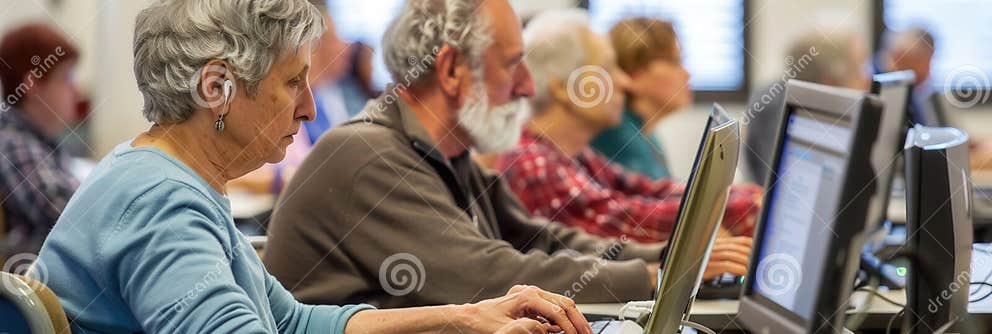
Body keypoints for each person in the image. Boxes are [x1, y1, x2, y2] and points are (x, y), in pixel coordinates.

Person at [29, 1, 591, 333]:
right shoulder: (159, 201)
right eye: (293, 82)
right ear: (217, 87)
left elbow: (297, 323)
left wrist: (467, 317)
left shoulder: (169, 179)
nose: (310, 106)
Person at [264, 0, 722, 309]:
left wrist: (665, 258)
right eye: (510, 64)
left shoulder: (442, 154)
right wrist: (653, 279)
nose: (526, 86)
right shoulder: (367, 157)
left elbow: (536, 240)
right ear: (450, 70)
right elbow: (487, 277)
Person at [495, 10, 761, 245]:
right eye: (608, 69)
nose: (623, 81)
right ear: (563, 89)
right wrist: (743, 208)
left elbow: (645, 190)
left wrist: (737, 196)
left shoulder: (573, 154)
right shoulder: (534, 164)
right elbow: (625, 219)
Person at [227, 0, 376, 196]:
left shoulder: (329, 95)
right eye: (334, 40)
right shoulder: (268, 102)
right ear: (313, 47)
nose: (344, 48)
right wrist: (282, 180)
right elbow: (239, 173)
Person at [742, 30, 871, 186]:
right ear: (831, 81)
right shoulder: (793, 117)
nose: (868, 79)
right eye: (860, 68)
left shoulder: (768, 95)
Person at [0, 23, 81, 259]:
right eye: (66, 78)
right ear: (32, 84)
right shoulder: (13, 144)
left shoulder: (39, 142)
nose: (76, 91)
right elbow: (71, 216)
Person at [589, 17, 688, 180]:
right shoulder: (617, 134)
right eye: (674, 62)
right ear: (634, 74)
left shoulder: (644, 130)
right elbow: (659, 201)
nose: (686, 74)